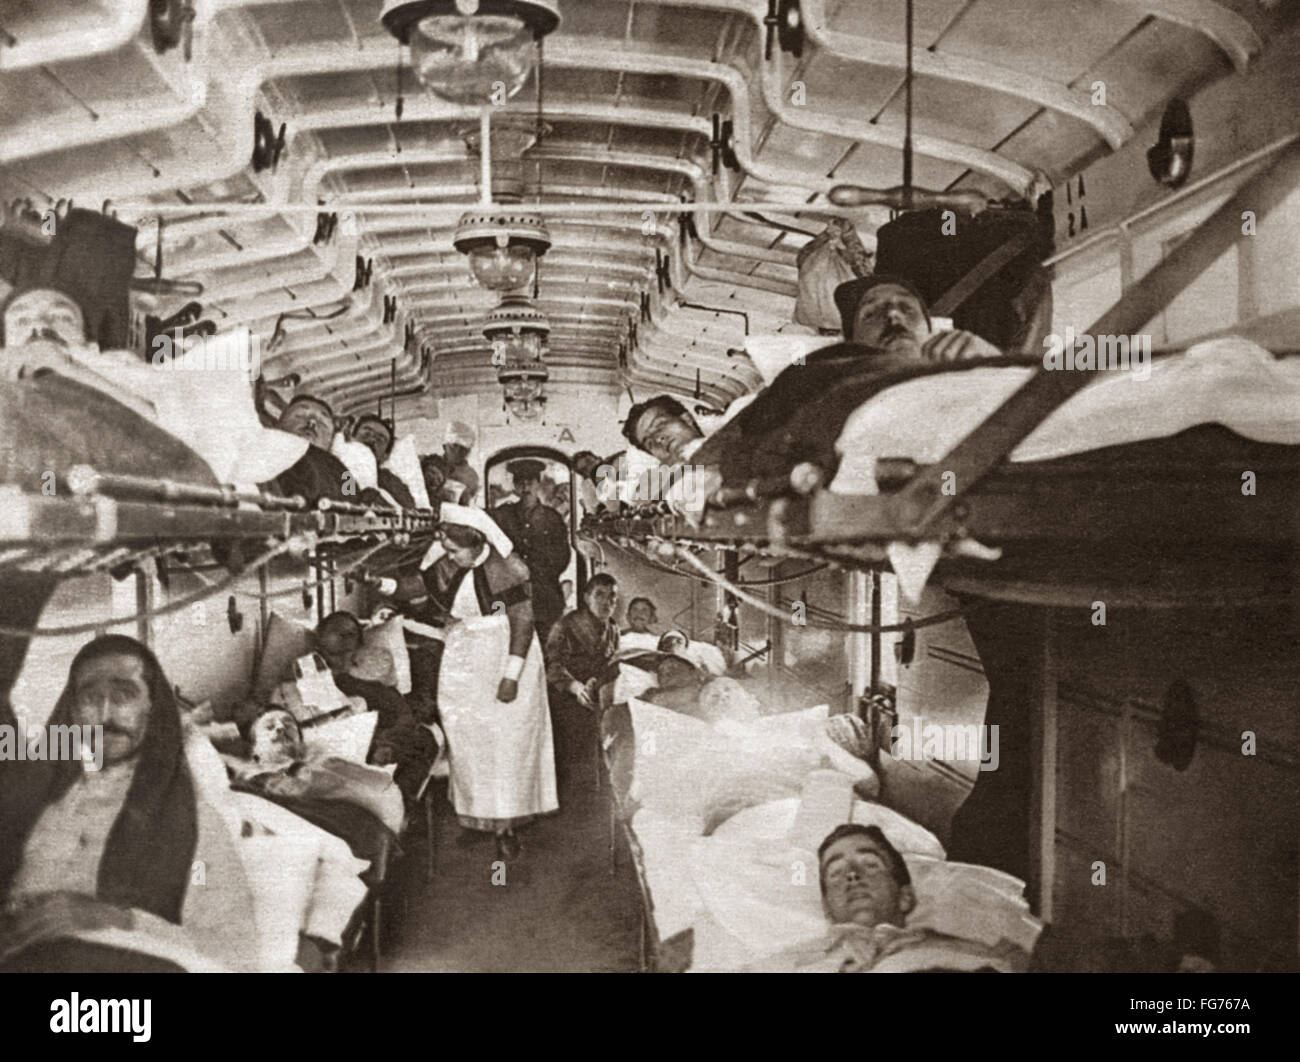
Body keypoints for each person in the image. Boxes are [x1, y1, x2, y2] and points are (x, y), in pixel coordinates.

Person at [0, 636, 262, 972]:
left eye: (124, 695)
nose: (105, 713)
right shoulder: (39, 800)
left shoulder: (192, 822)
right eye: (90, 698)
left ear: (152, 707)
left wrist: (117, 918)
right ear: (73, 712)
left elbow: (238, 954)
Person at [385, 523, 556, 859]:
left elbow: (522, 623)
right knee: (469, 738)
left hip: (507, 651)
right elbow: (418, 585)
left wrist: (511, 677)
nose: (448, 557)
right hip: (465, 655)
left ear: (478, 543)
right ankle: (480, 812)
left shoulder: (508, 568)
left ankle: (506, 825)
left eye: (454, 550)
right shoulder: (453, 562)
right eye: (446, 550)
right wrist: (380, 584)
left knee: (509, 741)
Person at [753, 824, 1030, 972]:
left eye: (870, 864)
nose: (852, 874)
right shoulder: (801, 962)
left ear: (905, 897)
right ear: (827, 909)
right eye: (835, 873)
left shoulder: (963, 949)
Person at [314, 611, 437, 804]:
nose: (345, 636)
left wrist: (385, 744)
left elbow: (400, 710)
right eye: (338, 632)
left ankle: (401, 804)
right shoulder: (309, 670)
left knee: (423, 741)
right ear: (320, 639)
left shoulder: (372, 671)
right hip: (341, 734)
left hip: (380, 733)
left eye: (351, 633)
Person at [545, 573, 620, 793]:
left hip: (594, 697)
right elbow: (552, 665)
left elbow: (611, 664)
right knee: (574, 763)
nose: (607, 602)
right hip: (565, 698)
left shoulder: (613, 629)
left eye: (612, 597)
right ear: (587, 597)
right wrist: (576, 688)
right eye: (600, 595)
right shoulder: (566, 625)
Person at [832, 274, 1002, 362]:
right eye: (871, 314)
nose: (893, 315)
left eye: (907, 308)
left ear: (929, 331)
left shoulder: (969, 378)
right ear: (851, 342)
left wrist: (1000, 372)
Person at [492, 459, 572, 643]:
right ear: (514, 486)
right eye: (520, 481)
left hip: (544, 593)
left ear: (538, 484)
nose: (525, 486)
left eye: (530, 481)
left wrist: (534, 574)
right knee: (505, 641)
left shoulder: (552, 518)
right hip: (509, 593)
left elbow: (562, 557)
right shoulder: (502, 515)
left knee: (547, 645)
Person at [263, 394, 354, 504]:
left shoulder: (340, 469)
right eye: (299, 416)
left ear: (331, 439)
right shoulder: (266, 449)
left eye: (322, 423)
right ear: (278, 424)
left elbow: (353, 496)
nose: (312, 423)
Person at [351, 413, 417, 509]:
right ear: (352, 437)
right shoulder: (334, 466)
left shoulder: (392, 483)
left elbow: (408, 511)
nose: (372, 439)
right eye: (366, 433)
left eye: (380, 439)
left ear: (385, 456)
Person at [442, 421, 480, 505]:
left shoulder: (471, 476)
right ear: (444, 446)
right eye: (454, 446)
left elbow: (467, 504)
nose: (457, 452)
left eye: (463, 449)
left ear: (468, 451)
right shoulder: (430, 466)